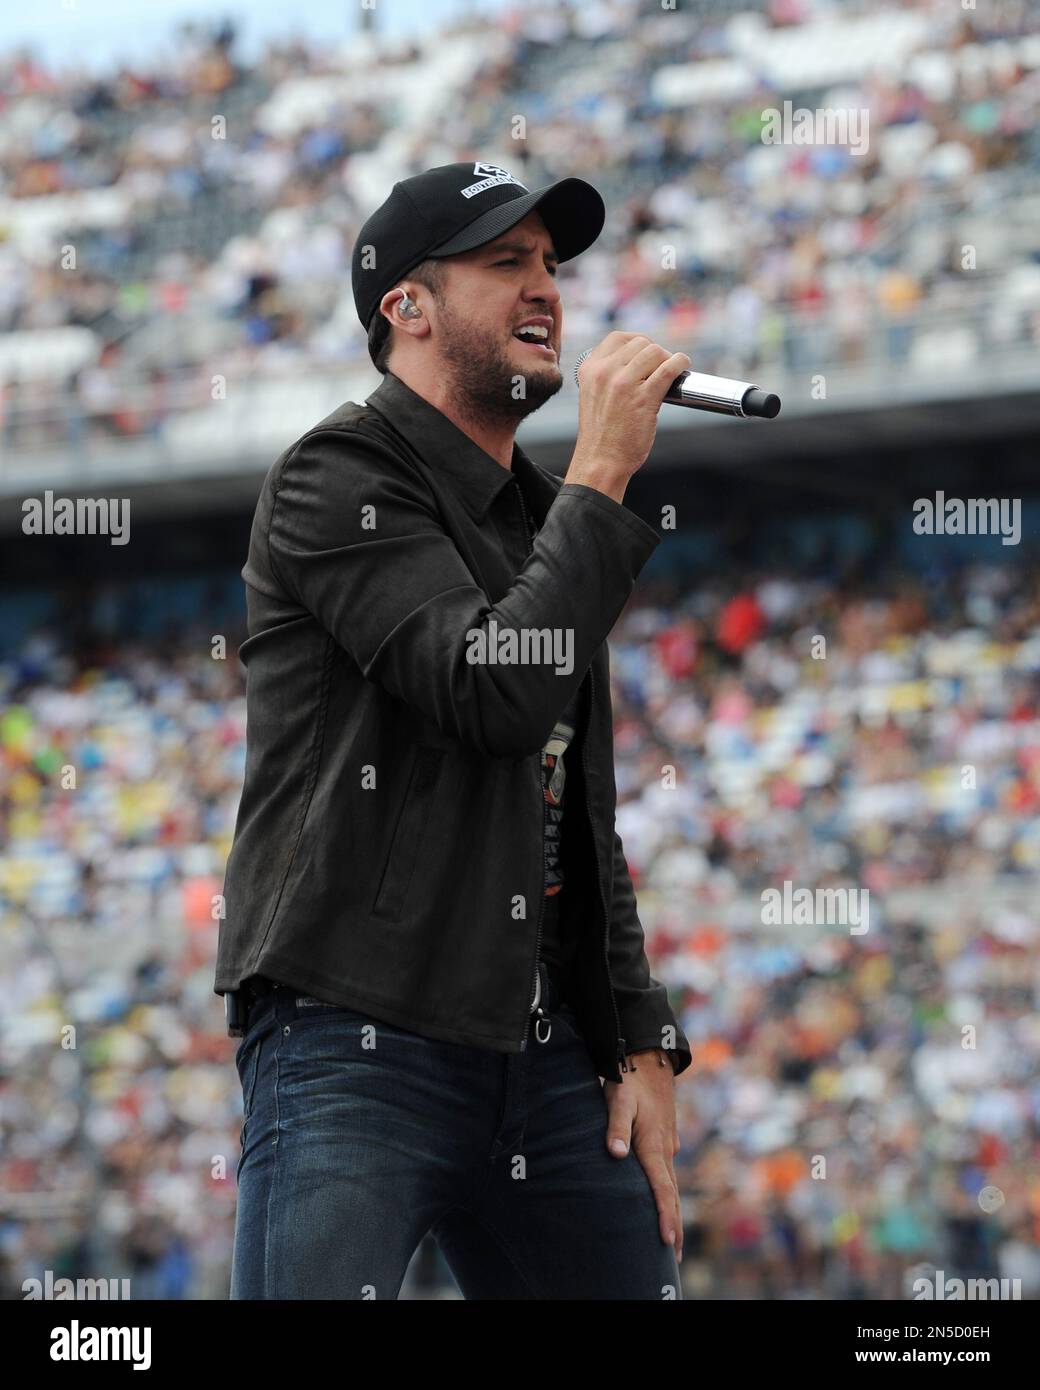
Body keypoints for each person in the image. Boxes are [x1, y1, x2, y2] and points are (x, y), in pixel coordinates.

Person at [215, 160, 693, 1299]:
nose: (545, 290)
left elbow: (575, 803)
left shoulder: (541, 514)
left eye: (548, 265)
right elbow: (492, 692)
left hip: (543, 1053)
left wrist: (638, 1034)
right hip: (355, 1042)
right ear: (407, 308)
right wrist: (605, 471)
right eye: (503, 264)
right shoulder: (336, 473)